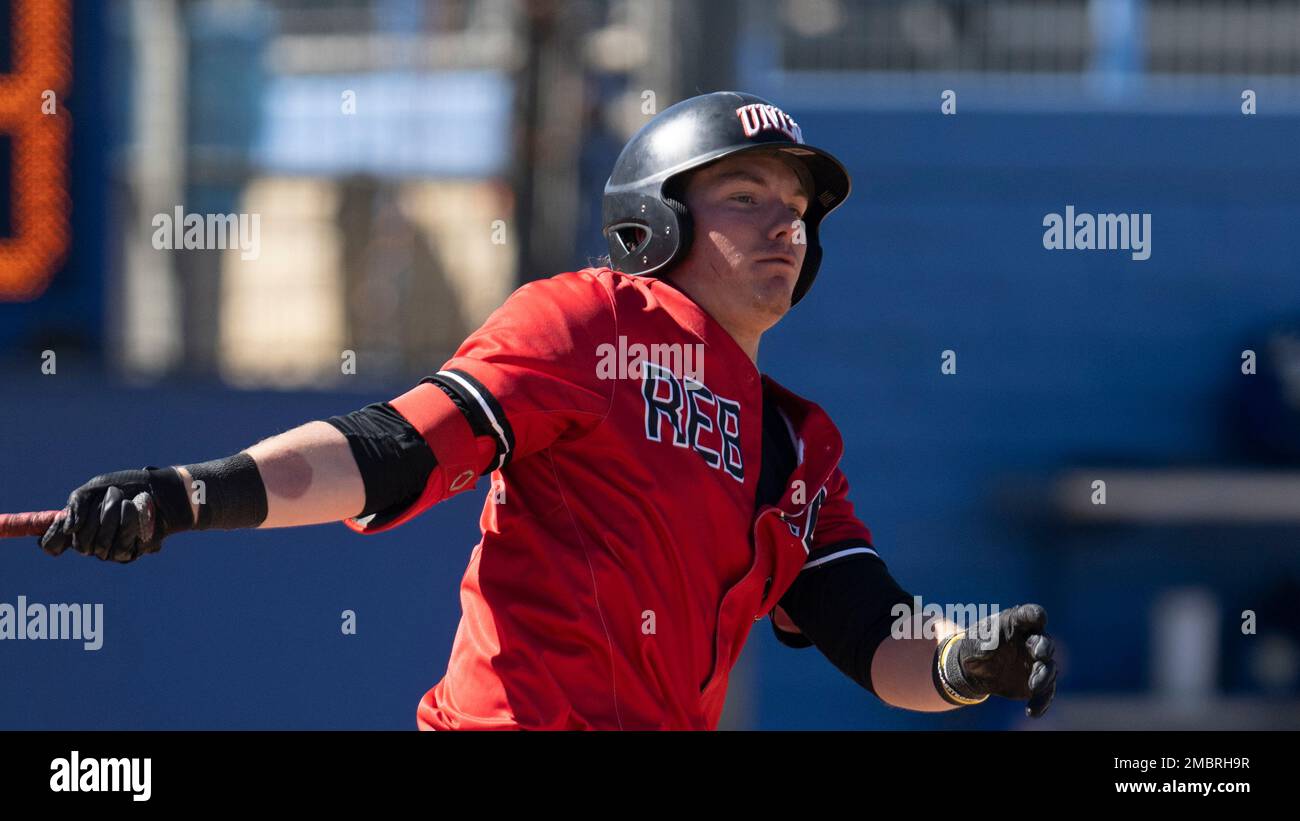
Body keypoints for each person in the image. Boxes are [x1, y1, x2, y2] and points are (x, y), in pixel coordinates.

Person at [38, 91, 1057, 730]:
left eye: (795, 208)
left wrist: (964, 659)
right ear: (652, 222)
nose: (783, 223)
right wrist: (188, 492)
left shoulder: (801, 443)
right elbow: (393, 448)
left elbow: (872, 636)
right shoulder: (588, 320)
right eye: (744, 194)